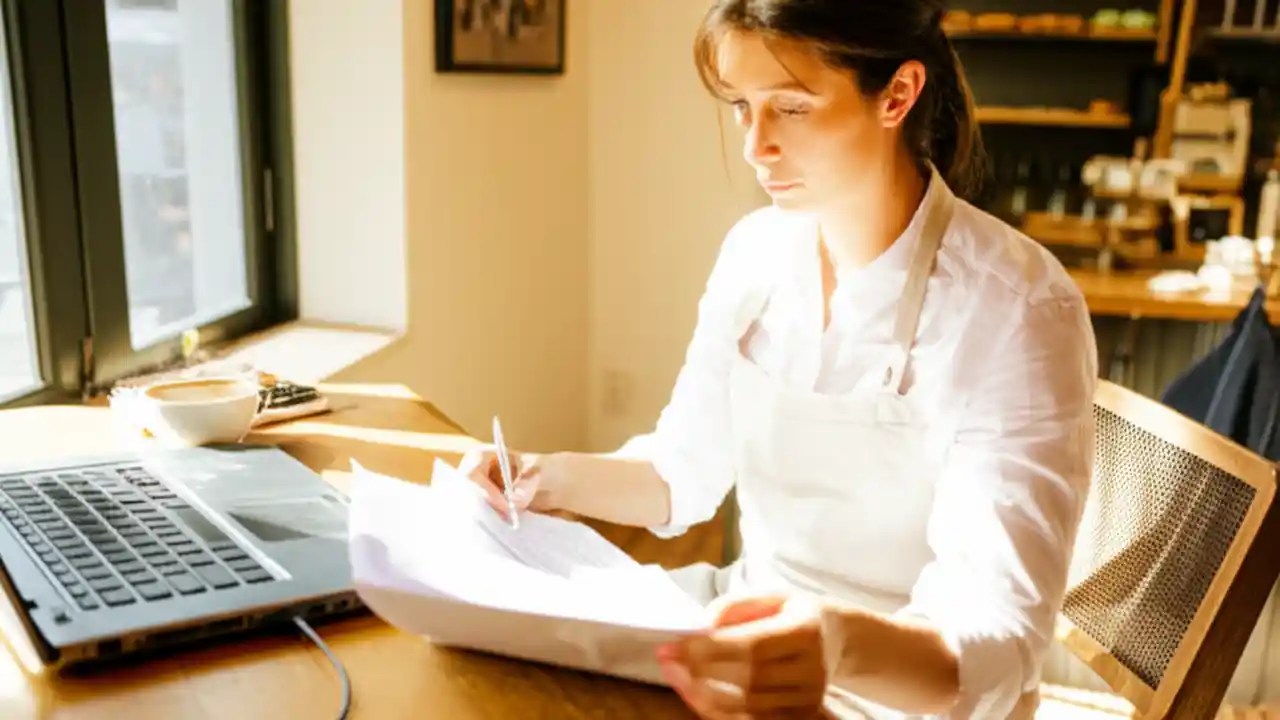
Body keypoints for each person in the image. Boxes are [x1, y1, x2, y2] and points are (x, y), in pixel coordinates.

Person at [462, 0, 1098, 717]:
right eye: (741, 106)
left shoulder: (1017, 307)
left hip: (911, 695)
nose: (754, 146)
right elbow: (681, 474)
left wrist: (834, 645)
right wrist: (541, 480)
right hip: (753, 626)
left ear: (897, 94)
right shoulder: (756, 253)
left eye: (790, 109)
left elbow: (995, 645)